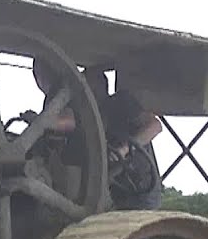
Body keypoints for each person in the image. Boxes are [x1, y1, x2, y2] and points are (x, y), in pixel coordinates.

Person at [29, 59, 165, 210]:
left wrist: (125, 150)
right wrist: (42, 123)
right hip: (112, 195)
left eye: (89, 85)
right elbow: (67, 122)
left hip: (139, 193)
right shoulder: (84, 118)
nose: (86, 92)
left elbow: (155, 126)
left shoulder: (122, 103)